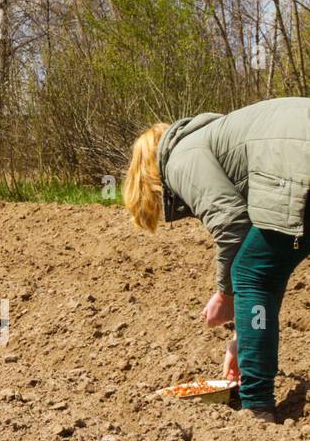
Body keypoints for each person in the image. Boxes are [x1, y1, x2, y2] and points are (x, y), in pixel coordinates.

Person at [124, 98, 310, 420]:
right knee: (259, 271)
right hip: (297, 159)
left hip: (298, 166)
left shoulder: (180, 159)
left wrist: (225, 293)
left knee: (248, 272)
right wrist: (242, 336)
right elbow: (267, 272)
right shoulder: (211, 134)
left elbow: (232, 225)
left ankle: (256, 405)